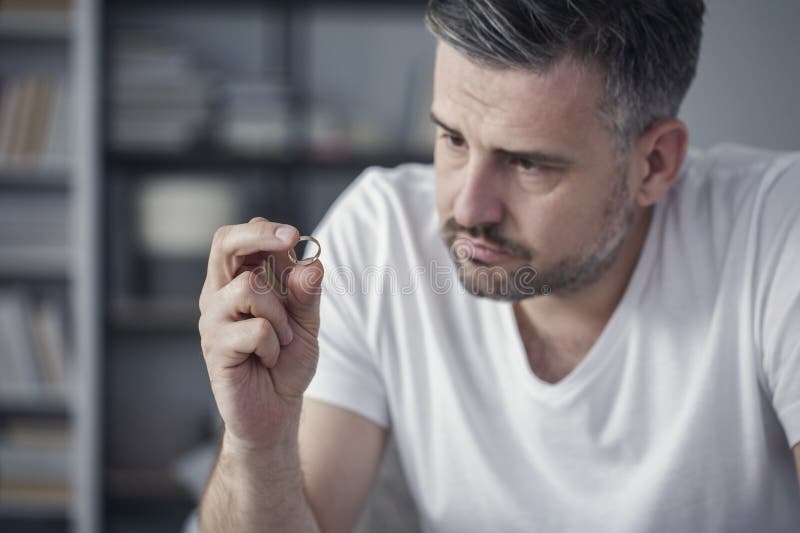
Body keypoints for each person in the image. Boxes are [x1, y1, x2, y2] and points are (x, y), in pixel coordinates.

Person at [195, 1, 800, 531]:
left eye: (528, 164)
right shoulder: (382, 235)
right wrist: (258, 446)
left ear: (655, 164)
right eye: (452, 140)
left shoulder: (775, 233)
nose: (466, 207)